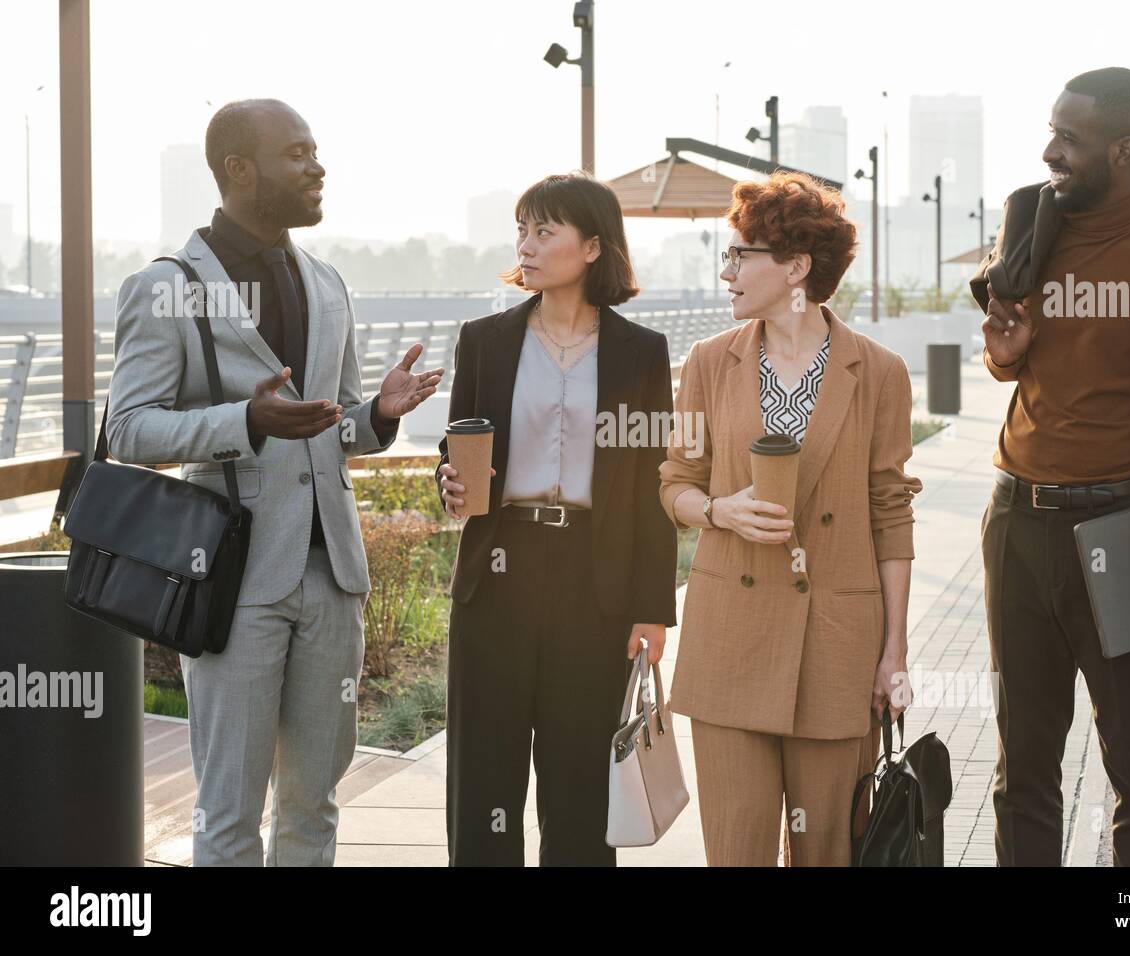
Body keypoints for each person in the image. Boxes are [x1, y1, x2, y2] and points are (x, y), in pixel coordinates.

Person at [106, 99, 442, 866]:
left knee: (315, 804)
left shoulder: (327, 282)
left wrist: (378, 415)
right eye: (297, 154)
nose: (317, 167)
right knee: (228, 815)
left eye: (315, 151)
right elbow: (127, 429)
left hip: (333, 578)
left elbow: (334, 427)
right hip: (231, 580)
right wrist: (242, 422)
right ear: (238, 170)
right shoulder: (167, 286)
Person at [979, 68, 1130, 866]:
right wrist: (1004, 356)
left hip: (1124, 533)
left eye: (1069, 139)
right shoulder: (1031, 227)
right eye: (1051, 131)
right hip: (1017, 522)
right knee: (1023, 771)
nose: (1049, 151)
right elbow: (1019, 363)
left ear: (1125, 151)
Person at [659, 171, 922, 866]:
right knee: (737, 852)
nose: (727, 271)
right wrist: (720, 510)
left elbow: (891, 515)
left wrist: (893, 652)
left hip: (838, 647)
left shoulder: (882, 372)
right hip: (730, 644)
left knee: (829, 854)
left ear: (797, 267)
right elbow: (675, 482)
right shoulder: (708, 363)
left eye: (741, 255)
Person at [436, 172, 678, 866]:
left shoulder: (640, 352)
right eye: (522, 229)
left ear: (593, 246)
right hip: (497, 574)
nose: (528, 244)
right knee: (485, 777)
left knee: (579, 789)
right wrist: (449, 482)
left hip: (593, 583)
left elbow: (650, 487)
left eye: (545, 230)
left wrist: (651, 611)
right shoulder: (484, 341)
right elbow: (460, 452)